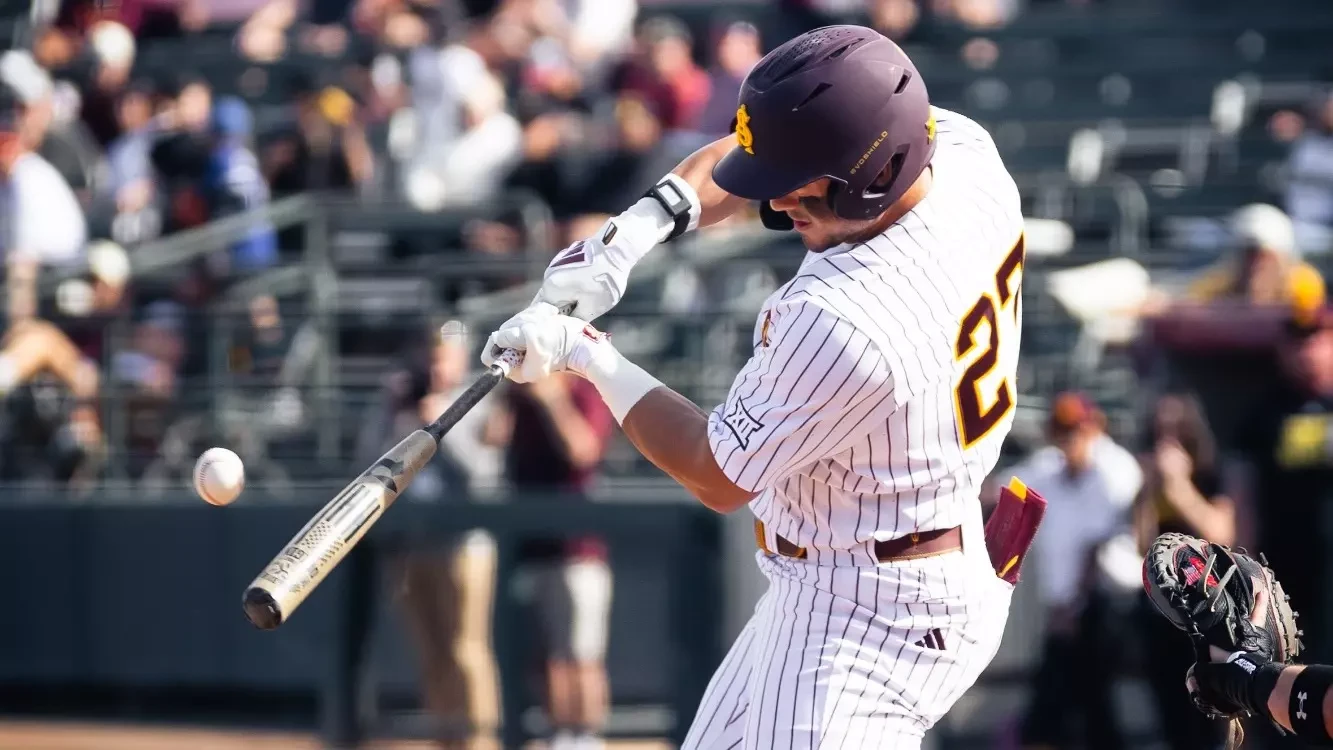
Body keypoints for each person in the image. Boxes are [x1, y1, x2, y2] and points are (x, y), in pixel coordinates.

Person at [482, 25, 1025, 748]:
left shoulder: (846, 317)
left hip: (867, 614)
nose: (774, 208)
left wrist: (585, 354)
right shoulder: (958, 154)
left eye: (795, 189)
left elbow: (716, 473)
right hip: (879, 566)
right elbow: (750, 159)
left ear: (871, 171)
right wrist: (631, 235)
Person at [484, 372, 616, 750]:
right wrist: (508, 396)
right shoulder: (518, 394)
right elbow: (493, 439)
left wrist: (554, 401)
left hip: (578, 547)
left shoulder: (584, 390)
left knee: (581, 652)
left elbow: (584, 450)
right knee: (542, 654)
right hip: (528, 543)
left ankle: (587, 735)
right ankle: (557, 733)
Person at [1011, 392, 1142, 750]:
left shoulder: (1113, 467)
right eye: (1061, 429)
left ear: (1095, 426)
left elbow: (1095, 547)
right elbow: (1003, 489)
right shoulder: (1050, 467)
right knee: (1085, 710)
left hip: (1107, 604)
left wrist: (1071, 607)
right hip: (1069, 611)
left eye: (1076, 428)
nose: (1069, 438)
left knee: (1069, 710)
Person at [1134, 392, 1235, 750]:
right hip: (1163, 607)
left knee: (1212, 710)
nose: (1168, 440)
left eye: (1177, 431)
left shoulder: (1210, 473)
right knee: (1170, 704)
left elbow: (1221, 531)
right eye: (1160, 431)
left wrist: (1179, 487)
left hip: (1207, 605)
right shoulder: (1150, 480)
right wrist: (1149, 490)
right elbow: (1141, 543)